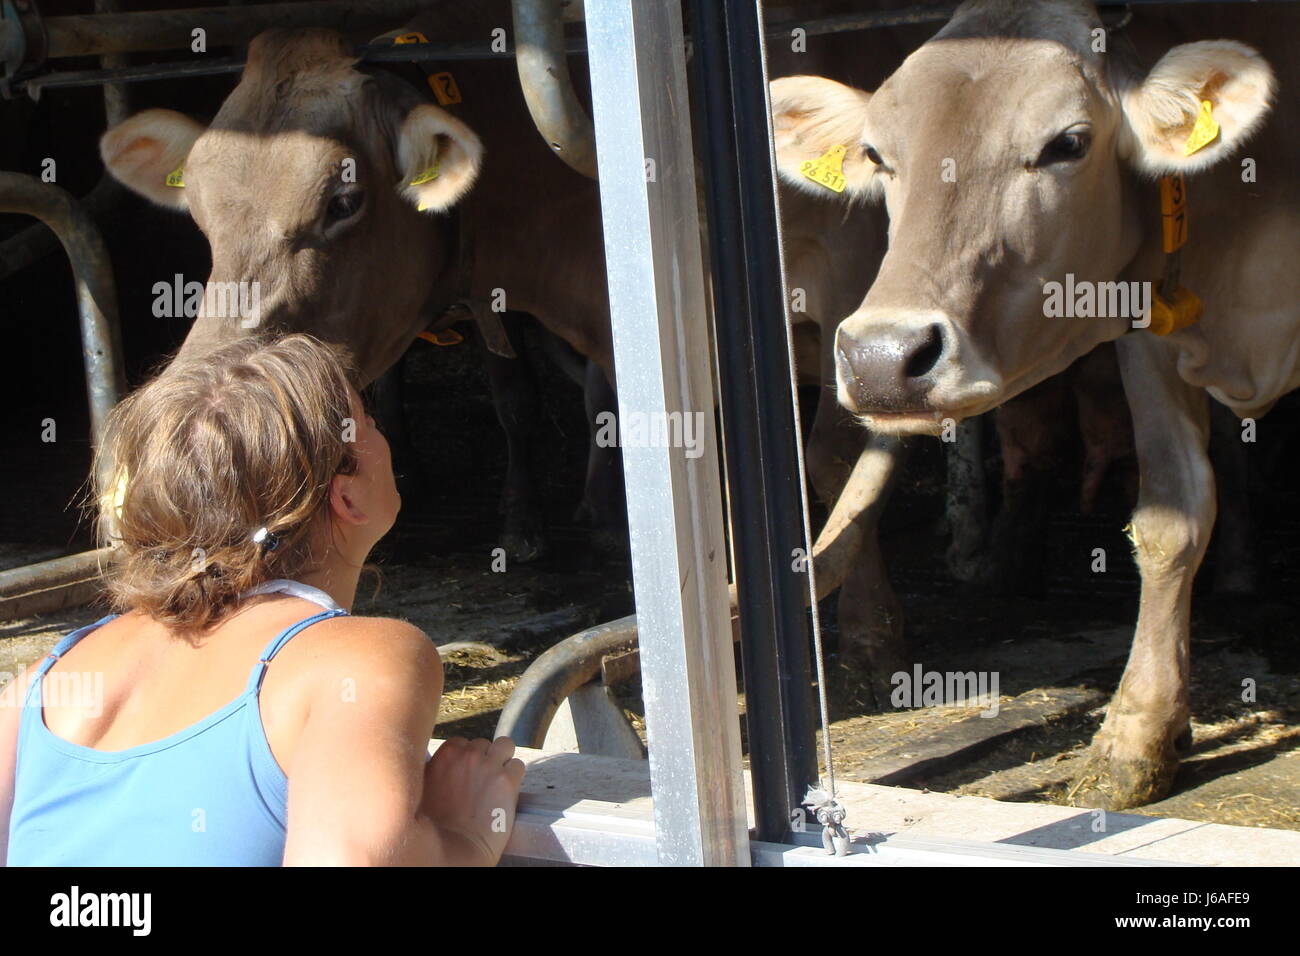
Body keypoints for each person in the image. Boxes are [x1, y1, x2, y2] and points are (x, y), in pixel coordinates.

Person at [0, 333, 524, 866]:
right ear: (346, 496)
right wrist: (466, 837)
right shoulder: (361, 661)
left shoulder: (42, 684)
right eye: (369, 423)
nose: (379, 436)